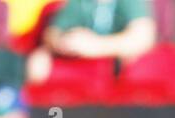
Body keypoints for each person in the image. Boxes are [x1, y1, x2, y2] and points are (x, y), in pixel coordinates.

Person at [28, 0, 157, 83]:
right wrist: (62, 44)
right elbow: (53, 32)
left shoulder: (131, 3)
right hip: (81, 75)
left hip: (116, 75)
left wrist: (96, 45)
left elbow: (143, 36)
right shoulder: (79, 3)